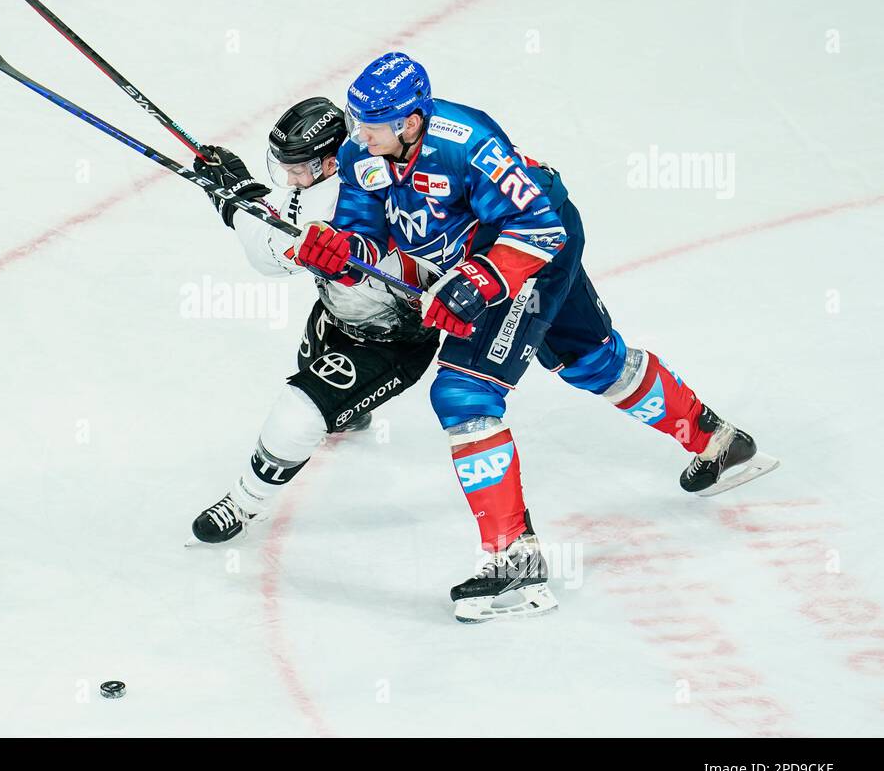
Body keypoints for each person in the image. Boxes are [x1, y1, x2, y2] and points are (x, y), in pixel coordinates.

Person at [289, 52, 777, 623]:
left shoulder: (466, 140)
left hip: (527, 252)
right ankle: (721, 445)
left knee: (464, 394)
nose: (358, 132)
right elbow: (370, 242)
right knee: (591, 361)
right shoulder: (361, 154)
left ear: (411, 121)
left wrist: (481, 278)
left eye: (371, 122)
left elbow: (539, 226)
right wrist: (341, 253)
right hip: (483, 258)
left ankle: (514, 566)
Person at [187, 97, 441, 544]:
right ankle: (352, 412)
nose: (289, 178)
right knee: (322, 387)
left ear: (329, 163)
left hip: (394, 341)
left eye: (298, 168)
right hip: (336, 315)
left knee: (297, 415)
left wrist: (233, 198)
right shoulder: (338, 178)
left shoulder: (345, 204)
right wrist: (238, 192)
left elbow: (270, 253)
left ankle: (245, 502)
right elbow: (280, 212)